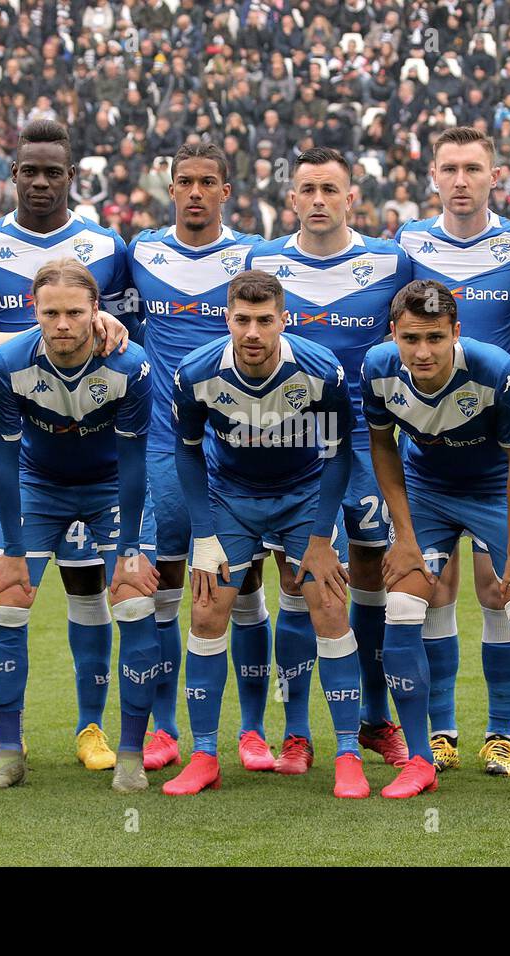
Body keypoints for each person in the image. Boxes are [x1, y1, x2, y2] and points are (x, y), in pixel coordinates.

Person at [0, 119, 132, 771]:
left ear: (72, 176)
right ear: (13, 173)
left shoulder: (105, 246)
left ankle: (90, 729)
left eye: (55, 170)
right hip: (12, 440)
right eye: (31, 169)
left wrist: (111, 322)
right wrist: (5, 349)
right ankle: (8, 736)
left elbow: (125, 335)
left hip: (89, 439)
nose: (42, 180)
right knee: (11, 585)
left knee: (88, 590)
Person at [245, 147, 415, 775]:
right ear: (291, 198)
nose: (318, 199)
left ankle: (374, 720)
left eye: (330, 189)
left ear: (351, 198)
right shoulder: (261, 261)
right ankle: (296, 733)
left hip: (367, 444)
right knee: (296, 584)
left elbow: (421, 329)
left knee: (368, 581)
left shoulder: (388, 261)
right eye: (306, 188)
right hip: (289, 449)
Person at [396, 126, 510, 775]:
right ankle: (441, 733)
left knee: (500, 591)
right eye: (449, 168)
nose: (460, 180)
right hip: (429, 458)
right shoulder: (410, 243)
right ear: (432, 176)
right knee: (434, 590)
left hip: (497, 456)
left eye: (472, 168)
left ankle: (499, 734)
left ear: (496, 176)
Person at [363, 279, 510, 802]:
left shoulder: (497, 370)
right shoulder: (377, 369)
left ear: (456, 332)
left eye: (434, 337)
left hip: (497, 490)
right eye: (410, 338)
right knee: (403, 606)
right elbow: (382, 448)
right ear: (394, 335)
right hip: (428, 492)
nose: (422, 351)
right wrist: (403, 536)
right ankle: (421, 759)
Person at [166, 269, 361, 797]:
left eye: (264, 321)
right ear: (228, 318)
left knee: (330, 608)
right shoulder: (195, 372)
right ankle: (205, 755)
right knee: (206, 611)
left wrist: (322, 537)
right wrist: (204, 536)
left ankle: (347, 754)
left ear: (284, 320)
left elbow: (340, 451)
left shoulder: (320, 370)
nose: (253, 332)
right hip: (230, 499)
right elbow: (186, 451)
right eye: (243, 320)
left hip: (303, 496)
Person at [0, 259, 160, 794]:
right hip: (39, 485)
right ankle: (9, 752)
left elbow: (132, 463)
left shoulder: (130, 366)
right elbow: (2, 460)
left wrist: (130, 546)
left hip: (110, 487)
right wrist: (12, 548)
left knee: (132, 600)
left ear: (95, 312)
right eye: (50, 311)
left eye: (74, 312)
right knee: (7, 600)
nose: (62, 323)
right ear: (33, 311)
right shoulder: (7, 363)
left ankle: (129, 754)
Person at [126, 141, 272, 772]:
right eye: (183, 181)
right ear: (171, 187)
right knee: (164, 588)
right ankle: (164, 728)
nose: (192, 192)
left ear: (224, 192)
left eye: (205, 182)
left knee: (242, 591)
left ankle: (253, 729)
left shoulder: (252, 257)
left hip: (239, 451)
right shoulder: (143, 253)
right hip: (166, 446)